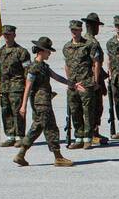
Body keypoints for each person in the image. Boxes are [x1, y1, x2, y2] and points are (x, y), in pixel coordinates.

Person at [12, 37, 78, 167]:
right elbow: (28, 86)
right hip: (41, 103)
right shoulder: (34, 67)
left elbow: (56, 76)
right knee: (49, 128)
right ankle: (57, 157)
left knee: (40, 128)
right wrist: (23, 105)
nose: (50, 54)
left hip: (44, 102)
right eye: (48, 51)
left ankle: (21, 154)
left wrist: (72, 84)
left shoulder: (43, 66)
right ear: (41, 51)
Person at [61, 20, 97, 150]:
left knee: (87, 111)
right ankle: (79, 137)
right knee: (75, 110)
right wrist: (69, 81)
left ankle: (88, 138)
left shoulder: (88, 45)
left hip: (86, 82)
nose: (74, 32)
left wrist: (95, 80)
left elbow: (95, 63)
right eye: (72, 30)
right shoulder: (66, 47)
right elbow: (67, 65)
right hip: (73, 84)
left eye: (76, 30)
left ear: (81, 30)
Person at [0, 23, 30, 147]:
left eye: (9, 35)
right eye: (5, 35)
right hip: (4, 87)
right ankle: (10, 136)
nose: (7, 37)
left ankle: (20, 136)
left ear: (14, 35)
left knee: (17, 112)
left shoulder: (21, 52)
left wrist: (27, 89)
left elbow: (27, 72)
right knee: (6, 111)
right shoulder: (0, 52)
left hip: (17, 87)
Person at [81, 12, 107, 146]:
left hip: (85, 78)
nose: (98, 28)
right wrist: (97, 82)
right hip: (93, 80)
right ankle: (92, 134)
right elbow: (95, 63)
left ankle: (90, 133)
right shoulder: (92, 43)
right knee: (96, 107)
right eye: (97, 25)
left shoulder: (83, 40)